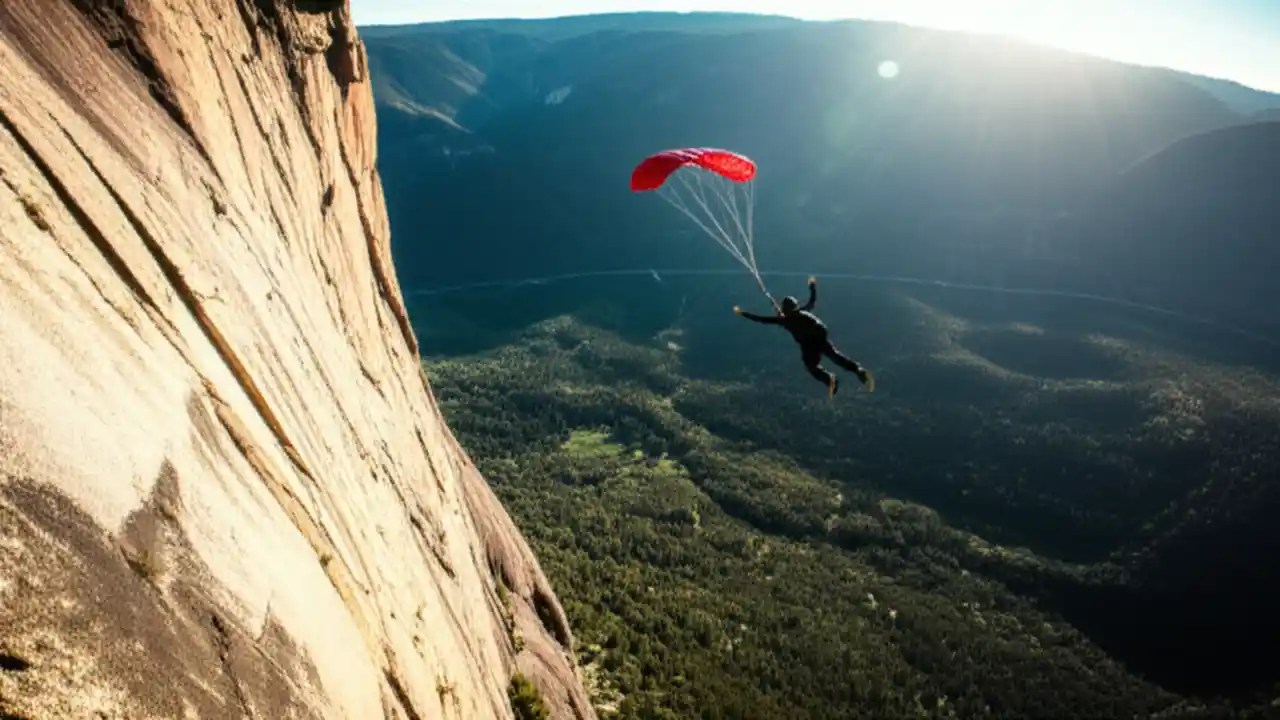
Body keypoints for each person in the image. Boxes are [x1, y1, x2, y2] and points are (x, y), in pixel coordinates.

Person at [734, 276, 874, 397]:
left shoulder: (784, 320)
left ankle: (829, 379)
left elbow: (762, 319)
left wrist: (743, 313)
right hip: (820, 338)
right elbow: (812, 301)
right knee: (836, 357)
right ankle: (859, 371)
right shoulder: (802, 312)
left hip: (809, 344)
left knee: (812, 366)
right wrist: (812, 286)